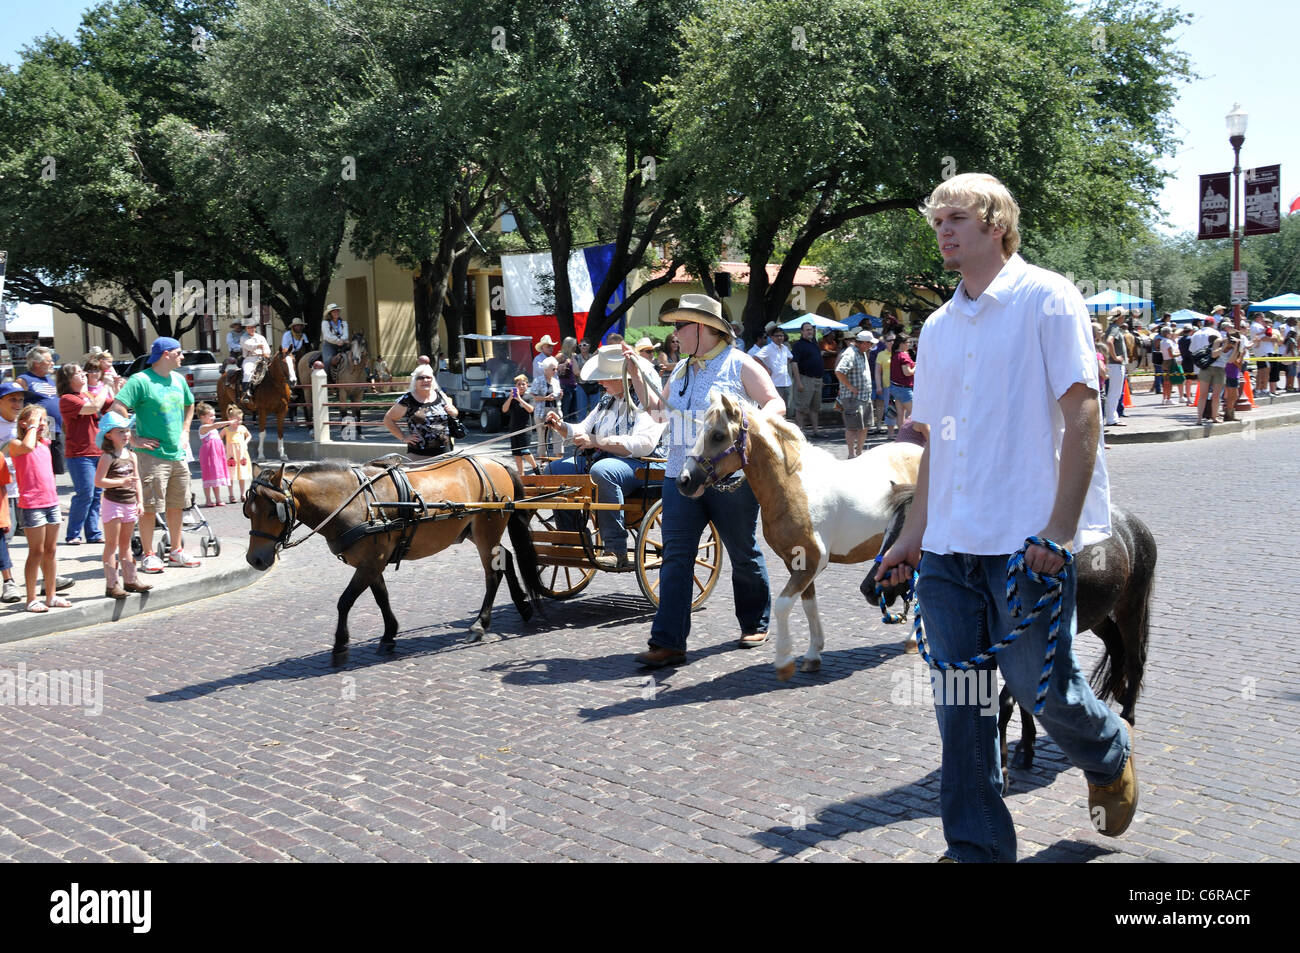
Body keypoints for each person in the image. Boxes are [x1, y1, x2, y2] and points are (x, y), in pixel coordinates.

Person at [876, 173, 1134, 863]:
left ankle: (1107, 747)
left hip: (1025, 545)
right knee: (961, 710)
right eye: (937, 221)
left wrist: (1058, 529)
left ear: (995, 222)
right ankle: (978, 850)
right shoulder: (935, 327)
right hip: (948, 553)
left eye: (956, 217)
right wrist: (911, 536)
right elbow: (936, 445)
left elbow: (1083, 417)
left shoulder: (1048, 298)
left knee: (1040, 688)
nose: (944, 231)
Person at [622, 293, 783, 666]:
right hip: (680, 474)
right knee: (676, 556)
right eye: (675, 326)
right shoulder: (679, 370)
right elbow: (659, 415)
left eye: (681, 325)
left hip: (729, 480)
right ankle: (668, 641)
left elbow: (775, 403)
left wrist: (743, 419)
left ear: (705, 328)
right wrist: (636, 377)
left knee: (743, 551)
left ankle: (754, 621)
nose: (674, 333)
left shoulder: (741, 364)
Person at [544, 345, 667, 569]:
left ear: (625, 379)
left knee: (603, 470)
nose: (600, 383)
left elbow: (644, 445)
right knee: (554, 471)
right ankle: (574, 540)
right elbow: (583, 429)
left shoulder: (646, 402)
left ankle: (615, 548)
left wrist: (598, 442)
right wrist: (561, 427)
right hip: (606, 461)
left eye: (605, 378)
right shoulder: (606, 400)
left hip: (644, 465)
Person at [110, 337, 200, 572]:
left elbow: (190, 404)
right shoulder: (140, 381)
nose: (182, 357)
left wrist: (186, 430)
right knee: (149, 507)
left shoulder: (179, 380)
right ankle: (149, 554)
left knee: (177, 504)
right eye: (179, 353)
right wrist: (133, 437)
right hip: (150, 456)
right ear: (166, 354)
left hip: (177, 454)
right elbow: (117, 407)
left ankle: (176, 551)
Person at [7, 406, 70, 613]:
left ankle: (51, 595)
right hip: (32, 505)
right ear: (24, 423)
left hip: (50, 503)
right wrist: (32, 424)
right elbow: (26, 447)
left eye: (44, 420)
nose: (42, 424)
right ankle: (32, 598)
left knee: (51, 551)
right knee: (36, 551)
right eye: (37, 420)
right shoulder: (17, 444)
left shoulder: (44, 443)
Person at [93, 412, 151, 599]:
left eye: (127, 431)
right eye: (121, 432)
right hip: (113, 503)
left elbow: (137, 481)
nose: (126, 435)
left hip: (129, 503)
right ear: (109, 435)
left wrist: (140, 501)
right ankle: (111, 584)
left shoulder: (131, 455)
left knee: (126, 544)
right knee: (112, 543)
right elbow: (99, 481)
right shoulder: (108, 456)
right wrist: (120, 482)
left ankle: (131, 579)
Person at [57, 363, 108, 546]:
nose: (84, 374)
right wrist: (106, 386)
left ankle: (93, 532)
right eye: (78, 372)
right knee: (85, 492)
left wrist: (117, 386)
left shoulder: (87, 395)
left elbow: (109, 404)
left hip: (97, 451)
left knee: (96, 494)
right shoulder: (67, 399)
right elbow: (94, 407)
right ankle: (73, 533)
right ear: (68, 379)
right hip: (79, 454)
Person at [383, 367, 460, 459]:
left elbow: (455, 413)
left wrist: (453, 412)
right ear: (414, 381)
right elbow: (388, 420)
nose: (425, 380)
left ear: (433, 380)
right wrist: (403, 437)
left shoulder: (441, 395)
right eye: (421, 378)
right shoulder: (407, 400)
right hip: (419, 453)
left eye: (428, 377)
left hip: (445, 452)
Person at [17, 346, 66, 476]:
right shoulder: (24, 380)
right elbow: (16, 404)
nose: (53, 363)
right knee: (42, 463)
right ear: (37, 363)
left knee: (54, 466)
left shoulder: (49, 380)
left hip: (54, 427)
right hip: (38, 428)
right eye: (49, 360)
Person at [834, 330, 876, 458]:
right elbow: (839, 371)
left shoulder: (861, 352)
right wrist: (850, 386)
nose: (871, 346)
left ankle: (859, 452)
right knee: (852, 427)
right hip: (853, 398)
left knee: (865, 426)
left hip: (863, 396)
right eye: (870, 343)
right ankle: (852, 454)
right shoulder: (850, 353)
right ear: (863, 343)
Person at [788, 321, 824, 437]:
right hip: (805, 379)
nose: (810, 331)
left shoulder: (814, 343)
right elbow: (794, 364)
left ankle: (816, 431)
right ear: (802, 332)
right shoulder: (798, 345)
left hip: (817, 380)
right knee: (801, 408)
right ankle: (799, 434)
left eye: (811, 329)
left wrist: (821, 379)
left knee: (815, 408)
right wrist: (798, 382)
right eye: (807, 329)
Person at [194, 402, 234, 506]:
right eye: (211, 415)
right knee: (208, 476)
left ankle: (218, 499)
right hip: (208, 455)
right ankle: (208, 499)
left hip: (216, 456)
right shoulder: (203, 428)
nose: (214, 417)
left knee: (216, 476)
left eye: (214, 415)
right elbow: (215, 425)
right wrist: (229, 422)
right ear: (202, 417)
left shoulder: (213, 429)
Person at [1189, 319, 1225, 422]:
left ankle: (1200, 418)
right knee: (1216, 395)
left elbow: (1191, 350)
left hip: (1202, 366)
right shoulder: (1215, 332)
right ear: (1213, 323)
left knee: (1202, 394)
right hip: (1217, 364)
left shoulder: (1196, 334)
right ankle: (1214, 416)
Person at [503, 374, 538, 477]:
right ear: (515, 386)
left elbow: (530, 409)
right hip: (514, 428)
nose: (521, 386)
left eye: (523, 384)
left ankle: (535, 468)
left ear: (527, 385)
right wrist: (510, 398)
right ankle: (521, 476)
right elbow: (504, 409)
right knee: (517, 454)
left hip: (525, 429)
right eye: (519, 384)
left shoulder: (529, 397)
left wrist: (519, 399)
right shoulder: (511, 398)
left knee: (525, 451)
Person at [530, 356, 563, 461]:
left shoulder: (556, 381)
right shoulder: (538, 380)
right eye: (553, 369)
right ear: (546, 370)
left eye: (556, 369)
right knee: (542, 437)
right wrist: (546, 398)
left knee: (558, 435)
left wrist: (560, 395)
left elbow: (557, 396)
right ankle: (543, 462)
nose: (555, 371)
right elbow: (533, 397)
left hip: (555, 410)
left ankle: (559, 460)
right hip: (542, 412)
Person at [1102, 308, 1128, 426]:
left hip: (1112, 364)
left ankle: (1111, 417)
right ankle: (1112, 418)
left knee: (1112, 392)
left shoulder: (1111, 328)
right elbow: (1109, 341)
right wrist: (1116, 357)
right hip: (1116, 365)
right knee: (1115, 392)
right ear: (1120, 317)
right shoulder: (1115, 329)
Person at [237, 314, 272, 402]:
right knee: (248, 372)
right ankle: (245, 393)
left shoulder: (261, 337)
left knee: (275, 371)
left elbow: (267, 347)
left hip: (262, 358)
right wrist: (258, 346)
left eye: (252, 327)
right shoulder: (243, 338)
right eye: (249, 328)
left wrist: (267, 353)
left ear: (255, 328)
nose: (251, 329)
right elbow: (248, 346)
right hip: (250, 359)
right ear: (246, 329)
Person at [757, 326, 793, 411]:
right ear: (771, 337)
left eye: (781, 335)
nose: (780, 338)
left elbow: (790, 357)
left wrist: (783, 365)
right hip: (774, 382)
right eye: (777, 336)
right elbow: (755, 358)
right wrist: (766, 368)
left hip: (786, 381)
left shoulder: (785, 348)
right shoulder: (768, 348)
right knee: (776, 408)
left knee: (785, 407)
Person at [888, 333, 916, 438]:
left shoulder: (895, 355)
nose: (909, 344)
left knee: (900, 414)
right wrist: (916, 368)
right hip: (904, 389)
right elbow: (907, 372)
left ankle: (901, 435)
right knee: (914, 413)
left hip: (895, 387)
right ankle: (911, 435)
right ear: (902, 344)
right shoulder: (904, 355)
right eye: (908, 342)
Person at [224, 405, 252, 502]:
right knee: (230, 475)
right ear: (230, 419)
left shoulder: (242, 428)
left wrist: (245, 442)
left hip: (241, 455)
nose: (239, 422)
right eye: (237, 420)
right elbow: (218, 438)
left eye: (241, 420)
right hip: (231, 455)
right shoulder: (226, 429)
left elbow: (249, 436)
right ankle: (231, 495)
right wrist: (223, 447)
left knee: (242, 474)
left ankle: (243, 493)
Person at [557, 336, 580, 421]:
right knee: (565, 409)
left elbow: (576, 371)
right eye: (574, 345)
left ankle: (572, 428)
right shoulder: (560, 356)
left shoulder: (574, 356)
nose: (576, 346)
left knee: (574, 410)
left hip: (574, 385)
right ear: (569, 345)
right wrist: (564, 364)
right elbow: (555, 369)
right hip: (564, 386)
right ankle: (564, 427)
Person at [321, 304, 349, 373]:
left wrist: (342, 340)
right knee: (327, 360)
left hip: (343, 344)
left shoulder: (344, 323)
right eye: (334, 311)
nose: (336, 313)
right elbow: (327, 336)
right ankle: (326, 377)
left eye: (337, 311)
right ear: (330, 313)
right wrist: (338, 341)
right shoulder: (325, 323)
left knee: (354, 355)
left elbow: (346, 334)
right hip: (329, 345)